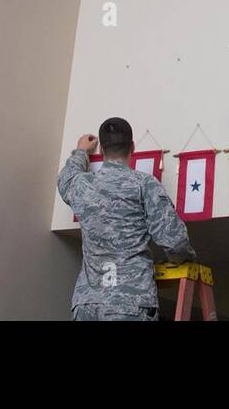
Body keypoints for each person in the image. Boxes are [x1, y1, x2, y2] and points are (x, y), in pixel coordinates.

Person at [57, 117, 194, 322]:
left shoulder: (81, 185)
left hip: (88, 305)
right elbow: (174, 241)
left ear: (102, 149)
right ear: (132, 147)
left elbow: (65, 178)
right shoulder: (144, 183)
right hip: (130, 303)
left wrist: (81, 151)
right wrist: (184, 258)